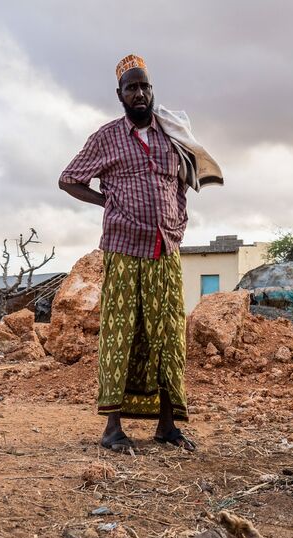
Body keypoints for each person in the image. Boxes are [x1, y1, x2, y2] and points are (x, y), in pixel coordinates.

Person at [59, 54, 222, 453]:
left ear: (152, 91)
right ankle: (112, 429)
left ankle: (167, 426)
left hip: (165, 250)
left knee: (168, 335)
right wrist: (107, 204)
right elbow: (68, 179)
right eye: (131, 87)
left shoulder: (170, 137)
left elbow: (182, 184)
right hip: (123, 250)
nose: (139, 93)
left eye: (144, 86)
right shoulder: (106, 137)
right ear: (119, 95)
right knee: (121, 333)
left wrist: (178, 222)